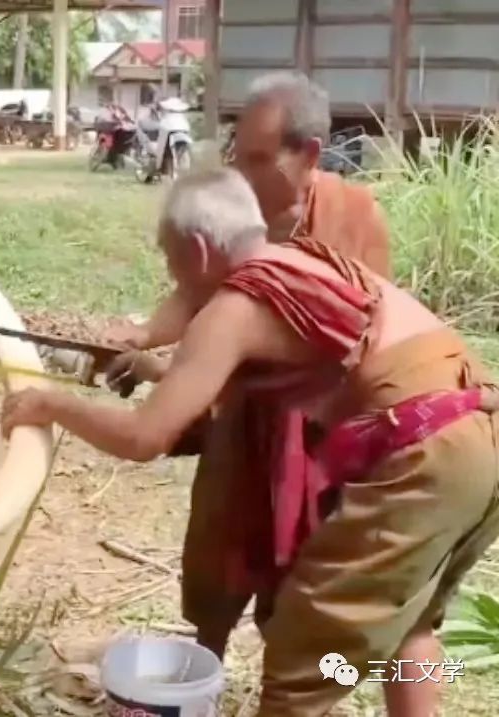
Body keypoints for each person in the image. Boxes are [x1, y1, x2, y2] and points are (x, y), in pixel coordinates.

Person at [2, 168, 499, 716]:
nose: (172, 275)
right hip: (479, 431)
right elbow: (270, 368)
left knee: (302, 659)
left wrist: (51, 404)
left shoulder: (233, 308)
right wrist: (155, 364)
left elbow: (145, 437)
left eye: (170, 259)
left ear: (196, 249)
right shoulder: (303, 260)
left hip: (425, 458)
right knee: (411, 618)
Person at [103, 72, 392, 657]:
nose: (243, 170)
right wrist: (144, 337)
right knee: (220, 554)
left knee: (341, 613)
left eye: (259, 159)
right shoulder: (237, 206)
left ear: (308, 155)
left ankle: (308, 676)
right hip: (248, 420)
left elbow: (359, 341)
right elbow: (197, 290)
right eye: (239, 152)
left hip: (324, 433)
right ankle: (204, 670)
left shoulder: (354, 215)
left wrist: (163, 375)